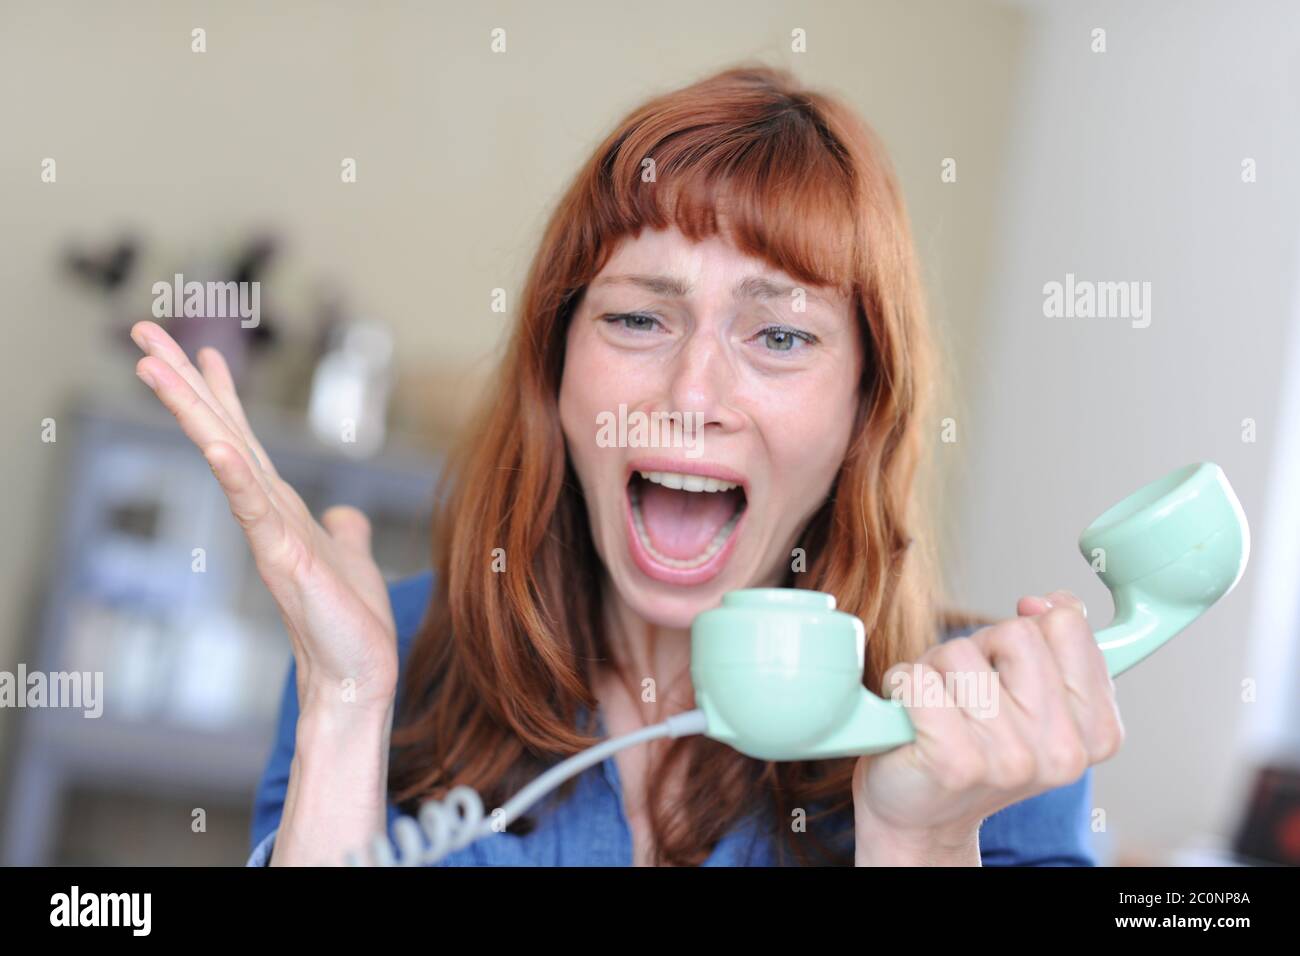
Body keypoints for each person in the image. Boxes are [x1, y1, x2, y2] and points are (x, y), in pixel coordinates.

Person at [130, 64, 1120, 867]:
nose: (692, 394)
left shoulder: (995, 744)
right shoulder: (386, 653)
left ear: (863, 409)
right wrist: (346, 708)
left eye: (778, 335)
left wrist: (924, 838)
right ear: (557, 367)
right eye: (637, 317)